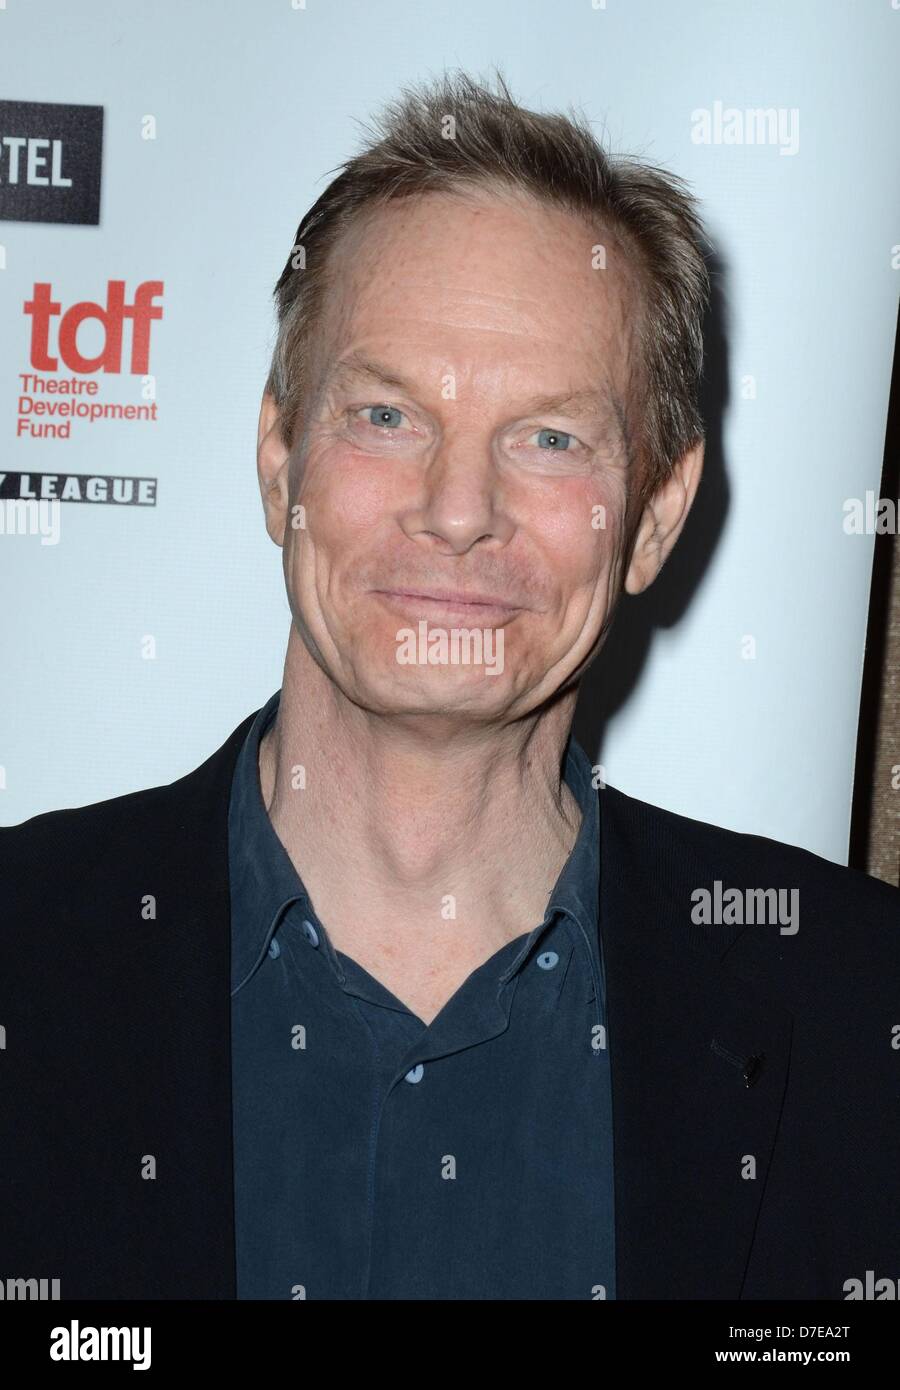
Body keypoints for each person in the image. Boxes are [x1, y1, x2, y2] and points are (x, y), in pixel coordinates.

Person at [2, 70, 897, 1302]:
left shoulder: (857, 1010)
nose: (457, 511)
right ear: (280, 464)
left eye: (550, 438)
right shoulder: (25, 950)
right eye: (385, 414)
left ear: (653, 519)